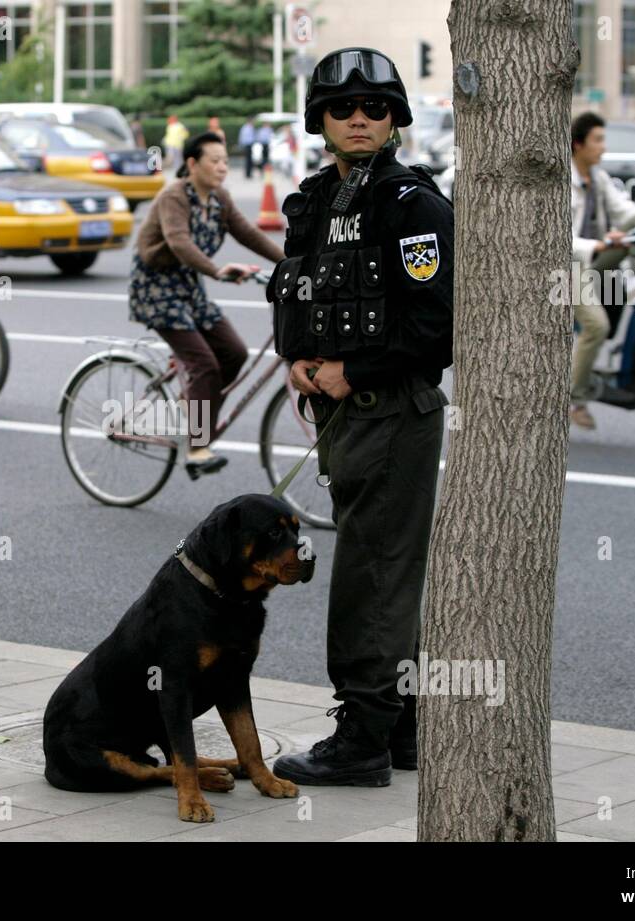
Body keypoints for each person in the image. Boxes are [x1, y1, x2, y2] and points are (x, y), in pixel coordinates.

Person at [267, 48, 454, 787]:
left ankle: (361, 739)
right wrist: (300, 359)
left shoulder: (413, 207)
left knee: (371, 575)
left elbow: (436, 329)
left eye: (374, 108)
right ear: (320, 120)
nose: (358, 119)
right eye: (342, 108)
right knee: (382, 569)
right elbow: (299, 293)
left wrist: (352, 370)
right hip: (345, 418)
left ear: (395, 118)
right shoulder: (316, 200)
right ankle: (400, 727)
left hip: (393, 413)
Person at [129, 131, 285, 478]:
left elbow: (250, 234)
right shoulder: (174, 196)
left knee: (233, 353)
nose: (222, 167)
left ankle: (197, 414)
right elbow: (178, 241)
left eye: (225, 161)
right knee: (204, 364)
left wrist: (291, 263)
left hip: (190, 287)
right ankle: (198, 446)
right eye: (214, 161)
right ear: (192, 164)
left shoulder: (219, 199)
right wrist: (216, 270)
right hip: (157, 288)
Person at [569, 111, 635, 430]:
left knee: (628, 246)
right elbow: (561, 238)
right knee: (597, 327)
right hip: (569, 266)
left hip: (592, 261)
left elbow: (623, 211)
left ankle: (617, 305)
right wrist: (599, 244)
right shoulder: (564, 181)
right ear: (578, 144)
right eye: (597, 140)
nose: (603, 148)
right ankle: (574, 398)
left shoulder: (597, 178)